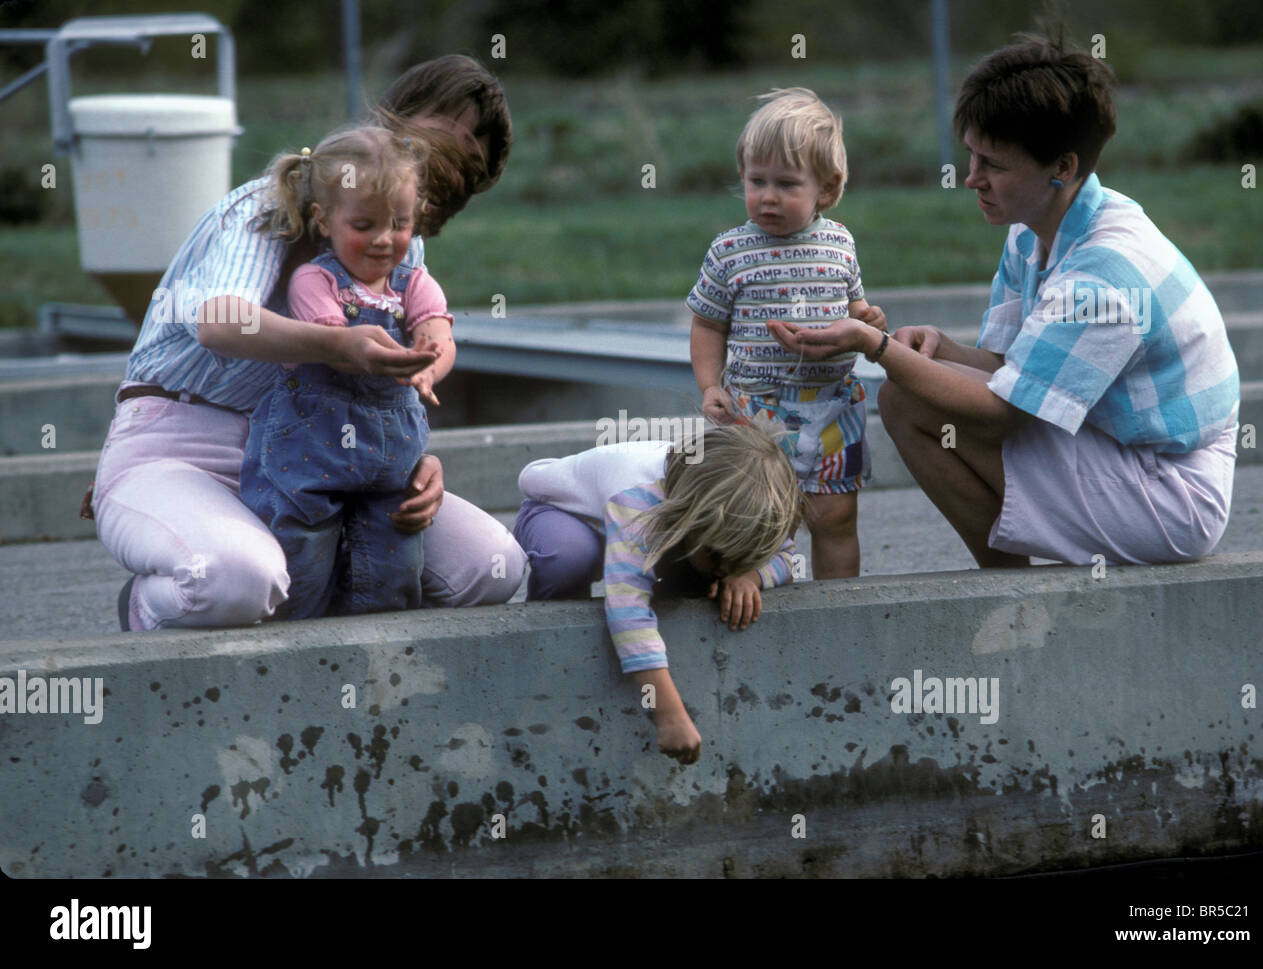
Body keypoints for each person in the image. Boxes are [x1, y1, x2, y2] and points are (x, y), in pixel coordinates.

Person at [768, 34, 1239, 569]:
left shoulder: (1103, 278)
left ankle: (1004, 590)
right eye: (971, 155)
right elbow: (1011, 369)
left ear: (1062, 166)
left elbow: (1000, 414)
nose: (971, 179)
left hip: (1175, 495)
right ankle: (1003, 583)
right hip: (1126, 454)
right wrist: (942, 348)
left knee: (910, 398)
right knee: (920, 383)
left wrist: (875, 346)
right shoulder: (1035, 228)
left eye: (992, 164)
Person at [89, 55, 525, 630]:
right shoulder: (266, 207)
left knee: (490, 568)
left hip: (321, 459)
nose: (451, 167)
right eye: (446, 137)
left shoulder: (398, 247)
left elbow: (389, 387)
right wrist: (335, 345)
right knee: (236, 579)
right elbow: (221, 323)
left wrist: (417, 463)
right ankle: (151, 609)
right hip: (184, 445)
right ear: (394, 118)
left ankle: (319, 625)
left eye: (470, 166)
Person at [240, 127, 455, 619]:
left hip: (388, 460)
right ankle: (295, 651)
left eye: (399, 224)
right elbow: (336, 348)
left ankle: (373, 665)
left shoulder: (415, 282)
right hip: (311, 452)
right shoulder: (315, 279)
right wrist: (381, 354)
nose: (383, 239)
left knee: (393, 568)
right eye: (364, 225)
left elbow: (439, 334)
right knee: (303, 565)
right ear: (324, 220)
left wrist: (429, 368)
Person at [513, 423, 803, 764]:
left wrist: (751, 576)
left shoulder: (746, 510)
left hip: (649, 534)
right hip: (563, 517)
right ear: (691, 515)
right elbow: (626, 606)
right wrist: (670, 716)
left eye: (739, 558)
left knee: (694, 575)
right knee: (570, 558)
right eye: (720, 556)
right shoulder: (637, 498)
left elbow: (792, 560)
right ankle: (550, 631)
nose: (727, 569)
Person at [686, 87, 887, 580]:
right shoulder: (730, 250)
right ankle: (750, 595)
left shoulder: (839, 242)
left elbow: (855, 306)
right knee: (754, 516)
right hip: (756, 406)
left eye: (787, 184)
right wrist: (710, 385)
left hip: (834, 406)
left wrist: (870, 319)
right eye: (757, 181)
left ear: (826, 188)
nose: (768, 197)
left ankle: (838, 607)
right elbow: (708, 324)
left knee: (835, 517)